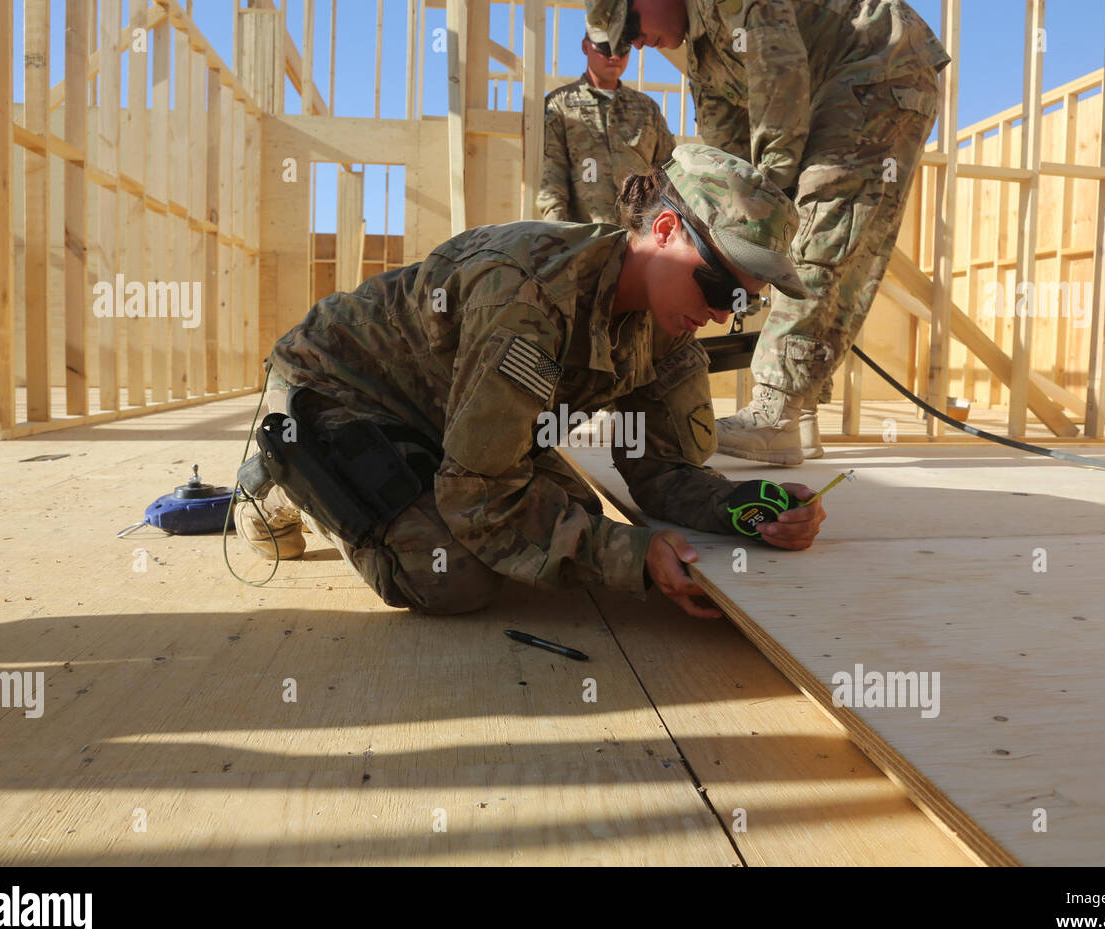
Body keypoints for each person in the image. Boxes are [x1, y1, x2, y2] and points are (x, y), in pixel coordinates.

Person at [236, 144, 827, 619]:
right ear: (667, 229)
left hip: (450, 413)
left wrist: (741, 507)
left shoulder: (669, 323)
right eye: (721, 286)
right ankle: (288, 477)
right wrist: (633, 557)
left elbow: (662, 471)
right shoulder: (527, 299)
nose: (724, 313)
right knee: (448, 573)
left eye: (746, 301)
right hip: (342, 386)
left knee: (571, 513)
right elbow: (477, 495)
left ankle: (383, 476)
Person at [585, 0, 950, 464]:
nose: (634, 44)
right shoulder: (703, 55)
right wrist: (727, 240)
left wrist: (763, 218)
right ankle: (800, 412)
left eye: (631, 25)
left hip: (879, 68)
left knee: (825, 225)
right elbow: (729, 170)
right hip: (832, 84)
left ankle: (777, 412)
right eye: (622, 41)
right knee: (791, 234)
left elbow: (783, 88)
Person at [538, 29, 676, 224]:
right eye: (605, 48)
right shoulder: (559, 105)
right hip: (585, 235)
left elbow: (669, 174)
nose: (614, 56)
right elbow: (552, 179)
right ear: (585, 46)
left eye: (622, 49)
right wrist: (559, 233)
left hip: (639, 235)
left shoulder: (647, 108)